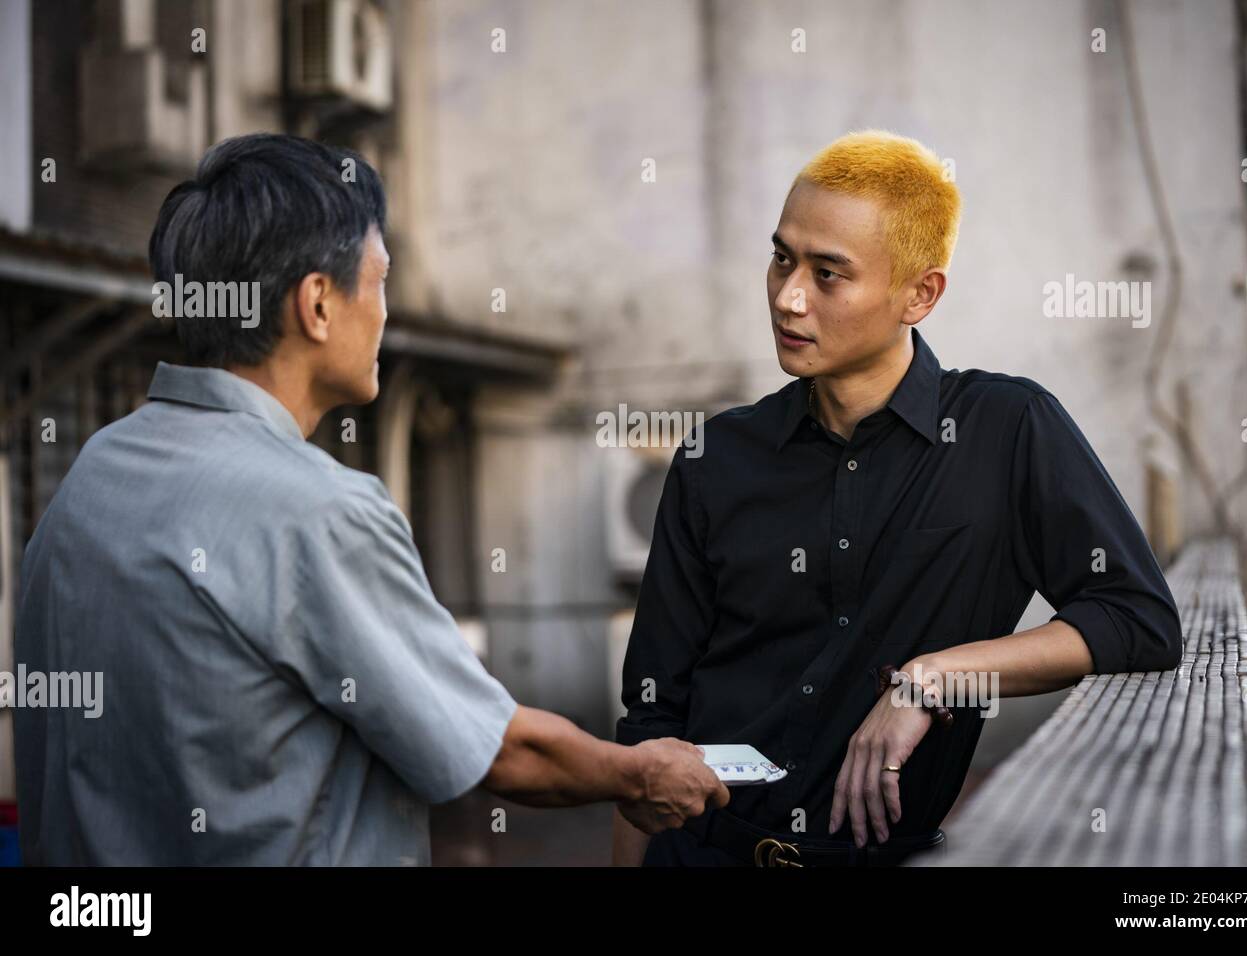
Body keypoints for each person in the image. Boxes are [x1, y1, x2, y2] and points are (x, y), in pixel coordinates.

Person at [14, 134, 728, 865]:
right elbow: (503, 752)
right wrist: (638, 771)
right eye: (379, 281)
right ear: (318, 304)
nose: (385, 313)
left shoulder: (91, 475)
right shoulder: (320, 509)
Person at [612, 129, 1182, 867]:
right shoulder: (713, 457)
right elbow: (652, 725)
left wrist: (935, 677)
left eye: (828, 274)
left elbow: (1137, 619)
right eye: (783, 257)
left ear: (920, 293)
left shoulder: (1005, 431)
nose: (788, 297)